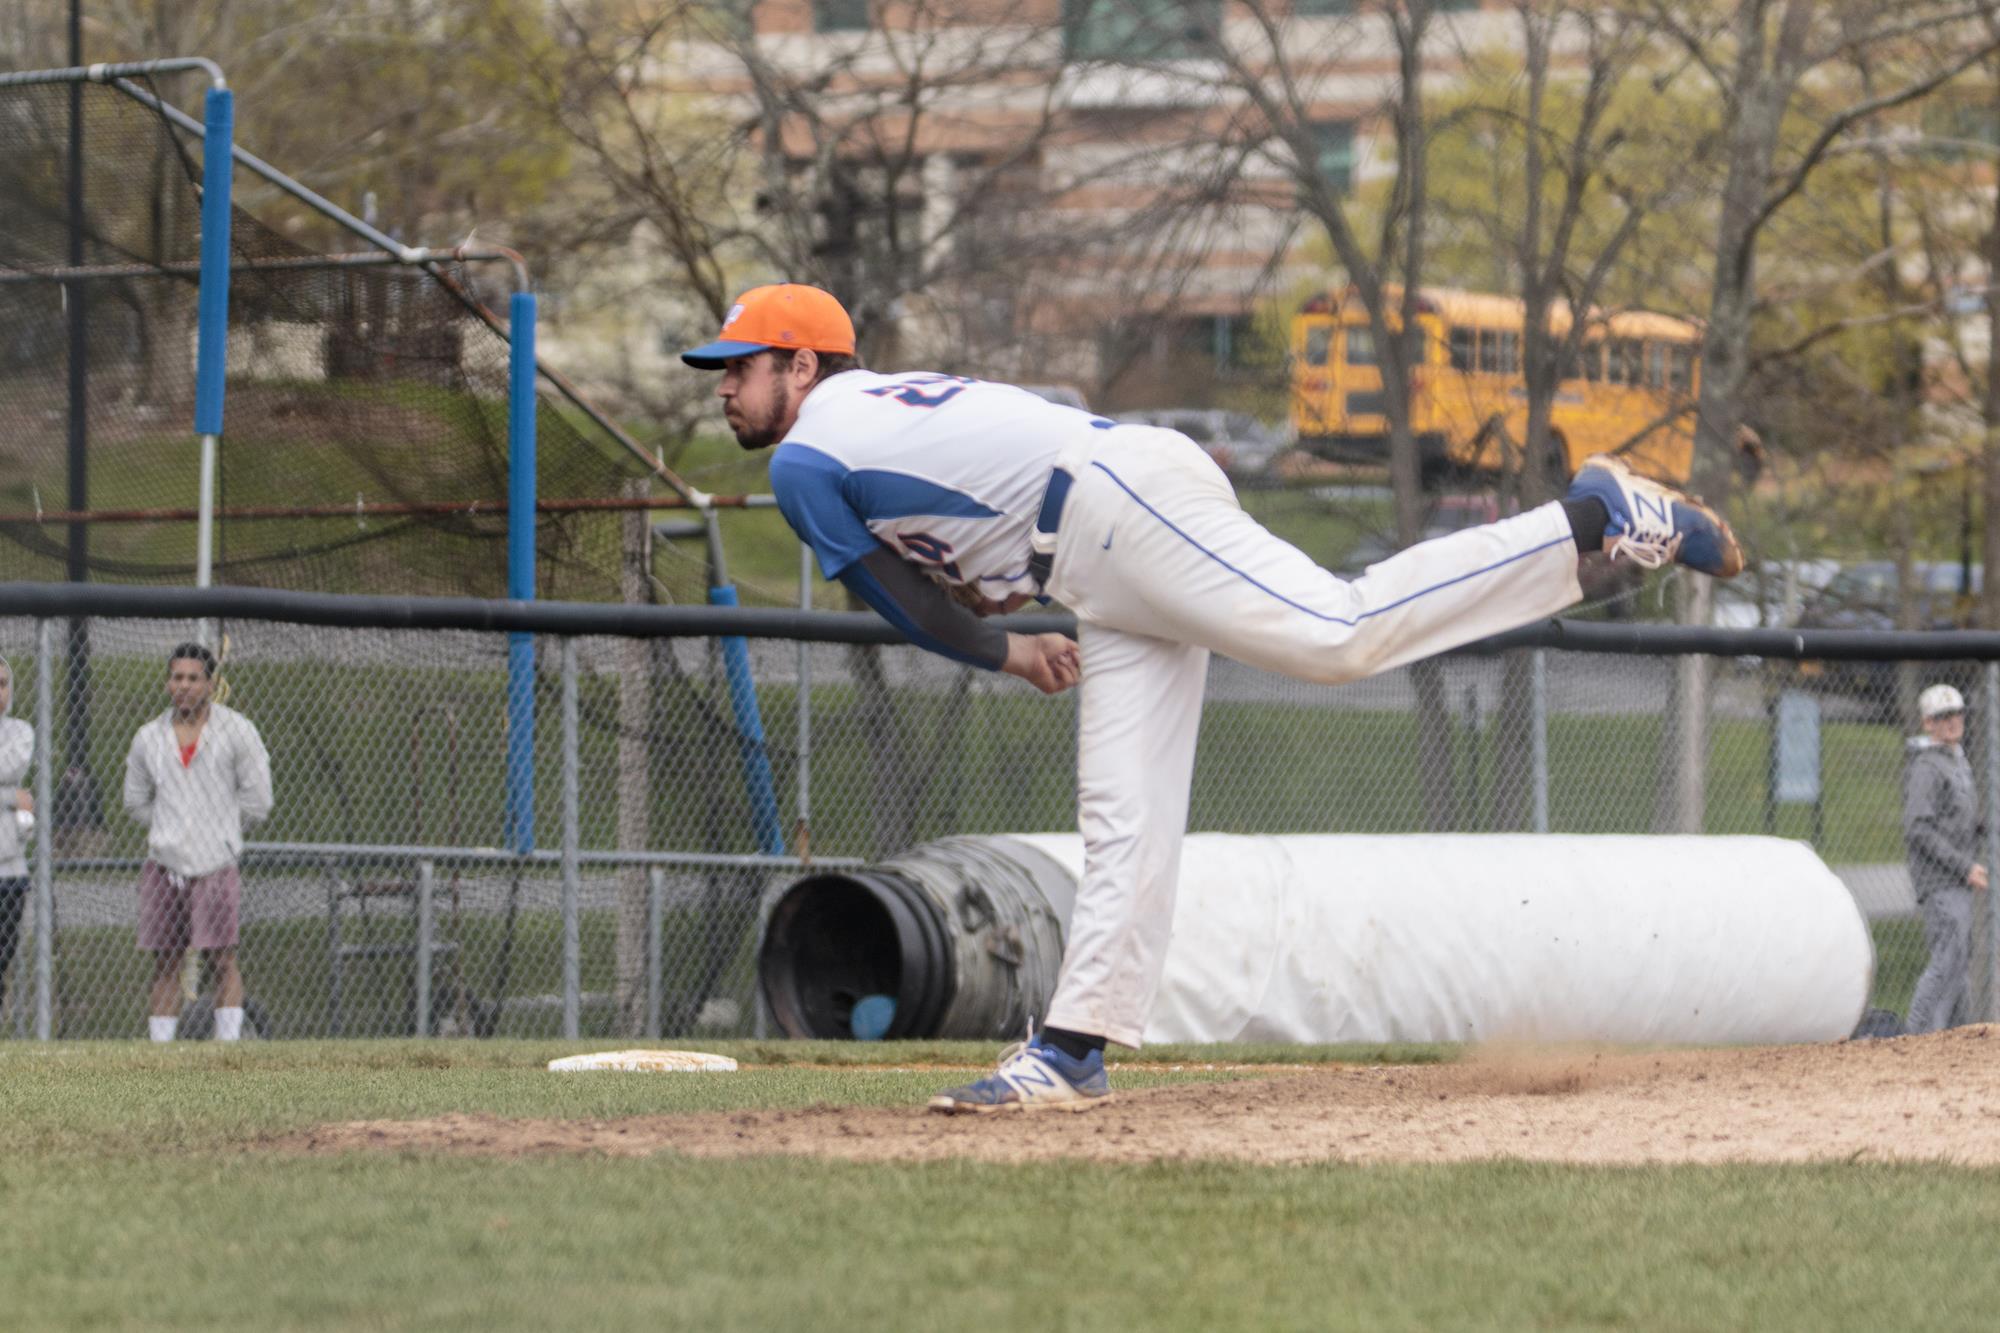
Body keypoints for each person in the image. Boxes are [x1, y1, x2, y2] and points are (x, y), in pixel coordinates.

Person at [681, 283, 1743, 1112]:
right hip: (1102, 535)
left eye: (738, 367)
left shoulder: (806, 456)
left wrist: (1006, 654)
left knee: (1336, 634)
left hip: (1110, 512)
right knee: (1124, 811)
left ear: (802, 362)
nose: (723, 387)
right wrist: (1015, 610)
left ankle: (1585, 516)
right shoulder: (878, 410)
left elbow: (900, 602)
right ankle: (1073, 1049)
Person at [123, 643, 273, 1042]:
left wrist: (219, 830)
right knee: (166, 960)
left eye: (193, 678)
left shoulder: (237, 732)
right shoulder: (148, 737)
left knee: (222, 960)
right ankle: (161, 1053)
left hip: (215, 864)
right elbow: (135, 801)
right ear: (168, 682)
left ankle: (227, 1046)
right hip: (164, 864)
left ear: (209, 683)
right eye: (177, 677)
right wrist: (170, 828)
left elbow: (258, 800)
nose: (184, 686)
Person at [1903, 682, 1986, 1034]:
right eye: (1943, 716)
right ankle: (1918, 1035)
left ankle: (1955, 1036)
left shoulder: (1955, 760)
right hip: (1941, 882)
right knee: (1947, 960)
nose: (1952, 721)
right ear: (1928, 723)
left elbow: (1964, 820)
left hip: (1957, 880)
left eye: (1956, 713)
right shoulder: (1928, 767)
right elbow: (1918, 828)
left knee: (1957, 961)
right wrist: (1964, 866)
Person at [0, 658, 34, 1000]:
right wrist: (11, 796)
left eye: (2, 683)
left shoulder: (21, 732)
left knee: (2, 954)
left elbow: (11, 764)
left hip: (8, 867)